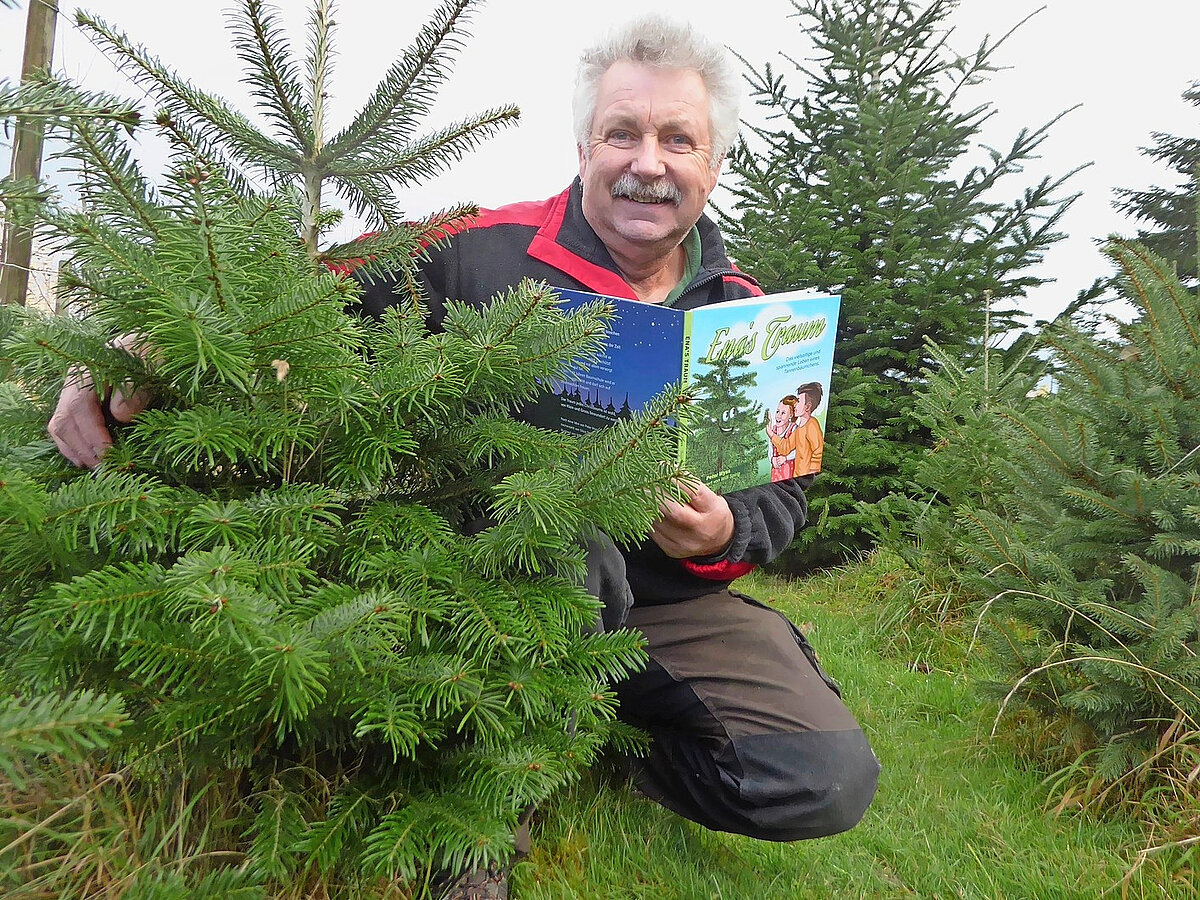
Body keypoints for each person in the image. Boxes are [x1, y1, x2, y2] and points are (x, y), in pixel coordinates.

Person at [48, 10, 878, 873]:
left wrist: (720, 533)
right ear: (585, 147)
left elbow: (781, 494)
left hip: (668, 607)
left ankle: (597, 737)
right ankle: (480, 825)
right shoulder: (473, 250)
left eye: (678, 139)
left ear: (712, 163)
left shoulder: (755, 320)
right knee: (567, 545)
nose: (647, 162)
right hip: (482, 588)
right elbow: (287, 286)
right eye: (621, 133)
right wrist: (118, 345)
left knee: (823, 777)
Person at [766, 381, 826, 478]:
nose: (795, 405)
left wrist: (812, 473)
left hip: (806, 477)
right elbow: (785, 447)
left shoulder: (811, 425)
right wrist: (771, 435)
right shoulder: (799, 429)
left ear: (808, 406)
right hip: (797, 476)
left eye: (798, 401)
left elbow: (818, 450)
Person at [767, 394, 800, 481]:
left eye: (783, 413)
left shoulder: (793, 429)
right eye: (777, 411)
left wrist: (785, 458)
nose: (778, 416)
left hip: (789, 468)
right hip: (776, 470)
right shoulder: (773, 430)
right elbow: (770, 447)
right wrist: (772, 459)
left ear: (791, 415)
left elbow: (799, 450)